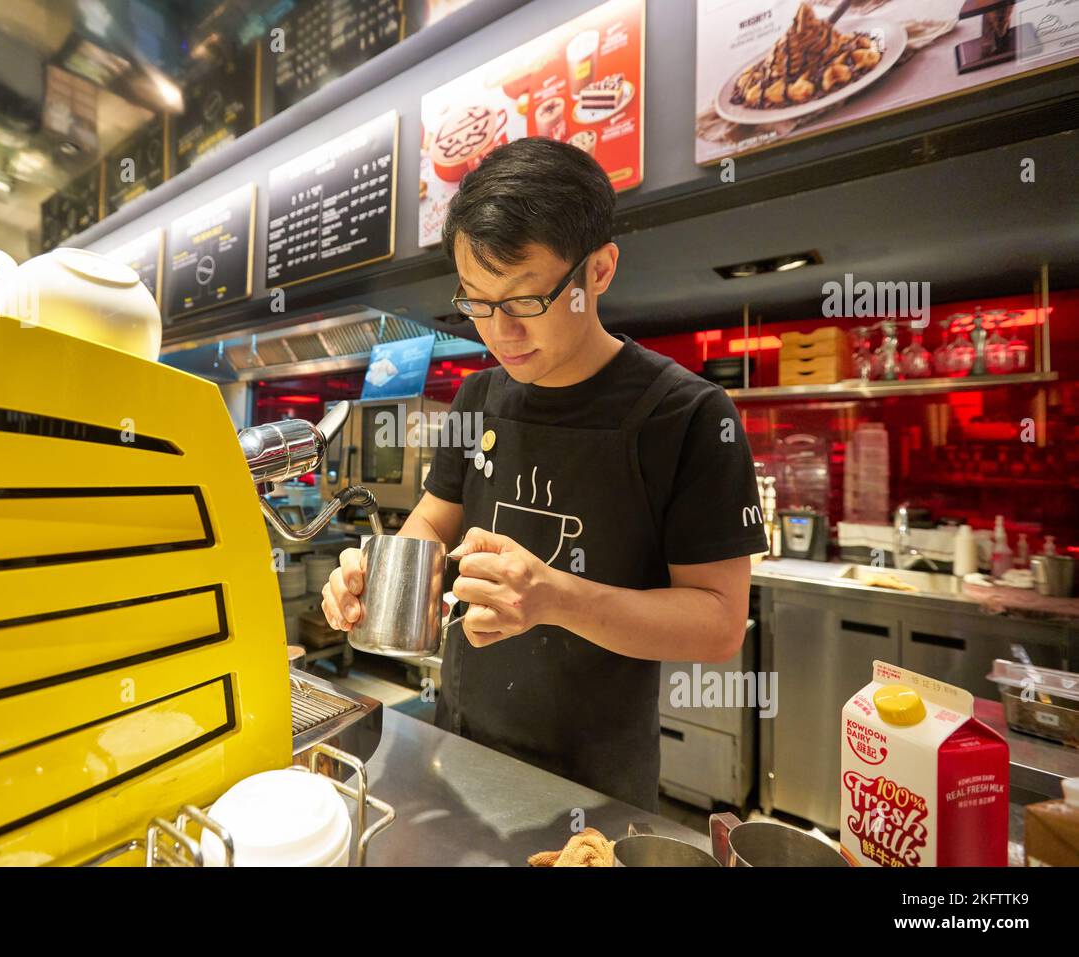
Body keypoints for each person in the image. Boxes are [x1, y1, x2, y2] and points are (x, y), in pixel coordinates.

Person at [322, 137, 767, 810]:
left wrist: (556, 597)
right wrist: (374, 573)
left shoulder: (690, 416)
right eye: (475, 300)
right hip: (463, 750)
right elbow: (434, 520)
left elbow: (718, 623)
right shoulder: (478, 399)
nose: (500, 331)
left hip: (594, 784)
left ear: (600, 269)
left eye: (525, 300)